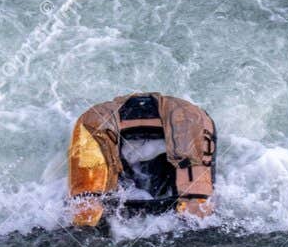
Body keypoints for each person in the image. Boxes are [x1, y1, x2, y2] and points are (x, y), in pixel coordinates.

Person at [67, 92, 216, 226]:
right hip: (187, 117)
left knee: (86, 211)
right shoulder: (191, 117)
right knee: (198, 213)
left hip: (97, 120)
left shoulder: (94, 119)